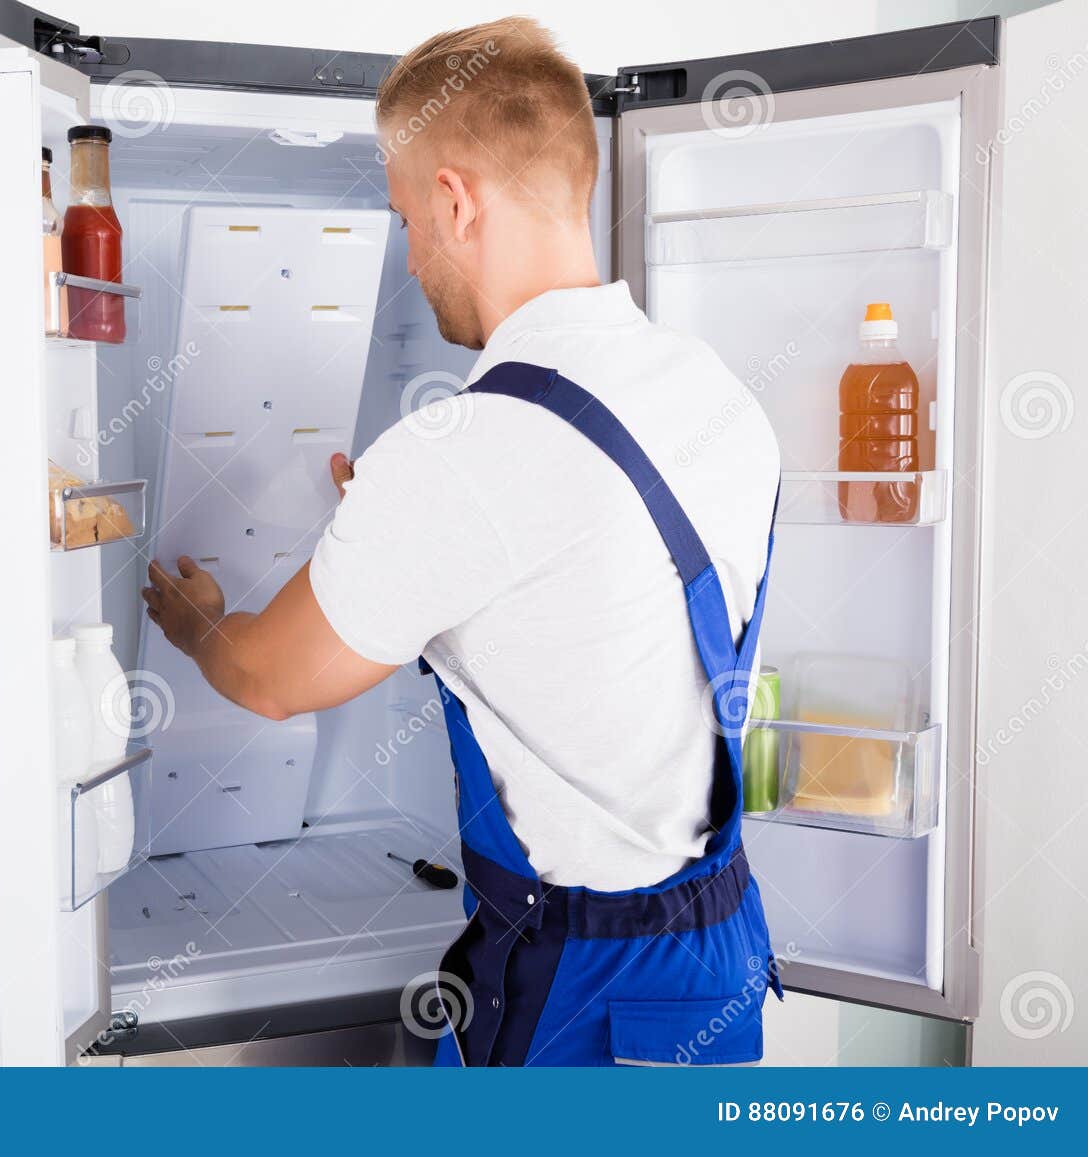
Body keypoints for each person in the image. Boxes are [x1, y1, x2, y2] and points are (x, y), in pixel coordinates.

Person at [141, 16, 782, 1067]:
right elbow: (584, 608)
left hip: (580, 986)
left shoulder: (467, 451)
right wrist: (397, 531)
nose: (411, 250)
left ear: (453, 198)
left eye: (403, 216)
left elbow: (268, 679)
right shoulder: (711, 389)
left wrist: (203, 623)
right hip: (712, 955)